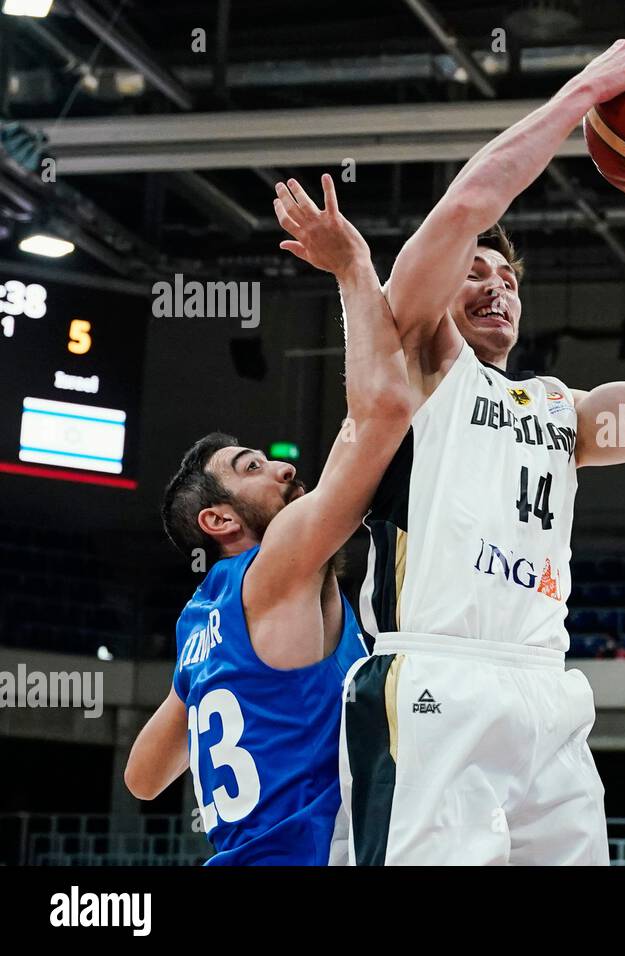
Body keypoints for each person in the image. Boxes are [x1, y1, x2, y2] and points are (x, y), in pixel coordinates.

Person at [342, 36, 625, 865]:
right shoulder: (418, 360)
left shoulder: (559, 407)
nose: (497, 285)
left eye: (510, 279)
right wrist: (585, 93)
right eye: (476, 273)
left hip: (546, 687)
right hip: (435, 677)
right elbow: (464, 208)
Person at [124, 176, 414, 864]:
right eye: (252, 466)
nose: (283, 469)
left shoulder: (202, 624)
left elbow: (142, 776)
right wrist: (352, 269)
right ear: (220, 517)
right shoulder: (277, 563)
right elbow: (383, 414)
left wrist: (201, 687)